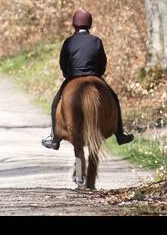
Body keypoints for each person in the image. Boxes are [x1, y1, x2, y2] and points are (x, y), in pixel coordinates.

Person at [41, 9, 134, 149]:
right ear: (89, 24)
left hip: (73, 76)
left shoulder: (69, 42)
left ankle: (54, 138)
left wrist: (67, 74)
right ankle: (120, 134)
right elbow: (103, 62)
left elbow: (63, 62)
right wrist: (98, 73)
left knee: (55, 103)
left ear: (74, 24)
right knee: (114, 98)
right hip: (95, 75)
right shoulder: (96, 41)